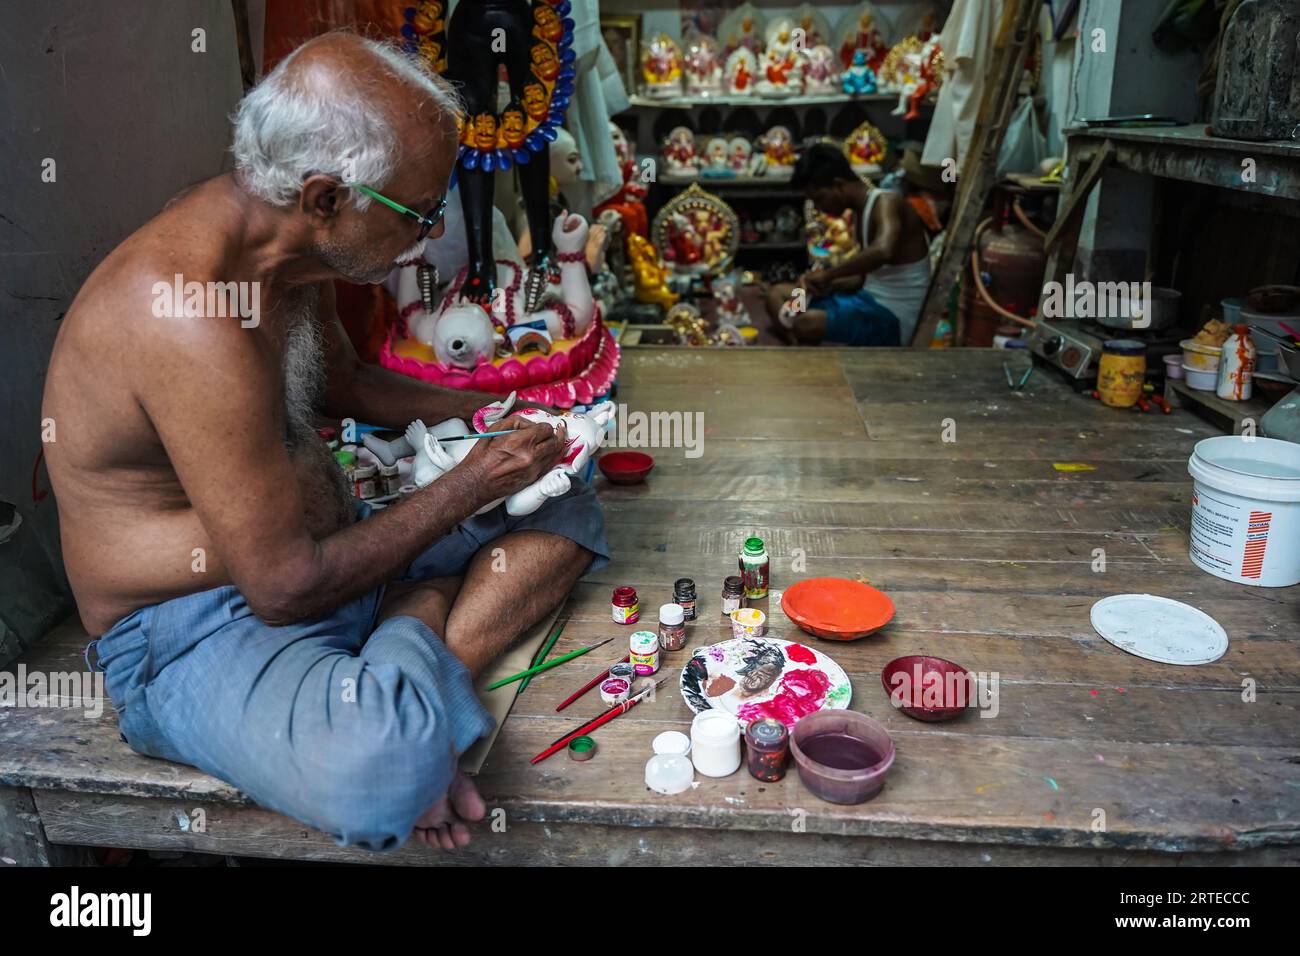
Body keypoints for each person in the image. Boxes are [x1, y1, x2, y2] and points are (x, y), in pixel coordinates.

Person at [40, 33, 608, 853]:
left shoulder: (279, 255)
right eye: (418, 212)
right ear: (324, 197)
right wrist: (470, 486)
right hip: (196, 623)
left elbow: (346, 384)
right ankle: (415, 627)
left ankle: (402, 670)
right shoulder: (193, 315)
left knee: (567, 502)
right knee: (384, 771)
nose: (430, 232)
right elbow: (280, 585)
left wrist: (507, 416)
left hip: (329, 549)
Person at [765, 143, 933, 346]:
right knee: (777, 295)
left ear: (838, 185)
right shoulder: (859, 212)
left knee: (807, 322)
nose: (819, 208)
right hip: (864, 301)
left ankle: (805, 340)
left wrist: (829, 274)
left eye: (819, 199)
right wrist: (825, 284)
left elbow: (883, 250)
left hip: (890, 318)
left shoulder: (886, 202)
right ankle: (800, 343)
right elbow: (864, 279)